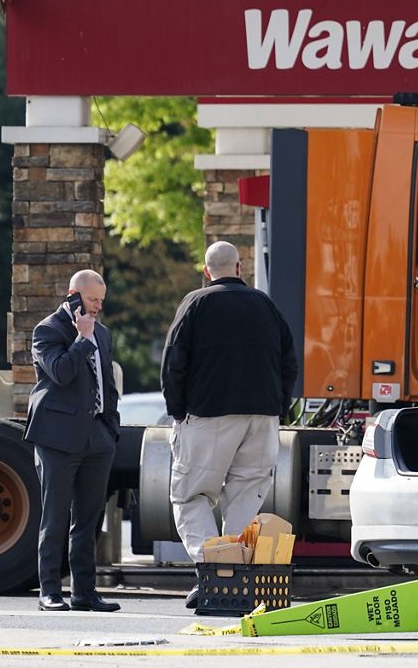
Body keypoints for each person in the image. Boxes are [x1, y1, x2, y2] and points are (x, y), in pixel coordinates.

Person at [161, 241, 299, 610]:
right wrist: (278, 408)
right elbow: (289, 362)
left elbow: (174, 363)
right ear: (240, 268)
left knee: (190, 496)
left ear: (207, 272)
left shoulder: (194, 303)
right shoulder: (266, 306)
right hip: (263, 418)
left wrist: (177, 411)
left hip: (209, 416)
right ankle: (233, 582)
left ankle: (214, 575)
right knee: (243, 499)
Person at [25, 269, 122, 612]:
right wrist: (82, 339)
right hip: (58, 439)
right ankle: (49, 591)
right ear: (73, 295)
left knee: (88, 520)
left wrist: (111, 428)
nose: (98, 307)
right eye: (93, 300)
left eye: (101, 301)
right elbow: (62, 372)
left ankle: (85, 593)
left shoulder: (104, 334)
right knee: (55, 518)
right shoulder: (47, 330)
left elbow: (107, 383)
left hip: (97, 437)